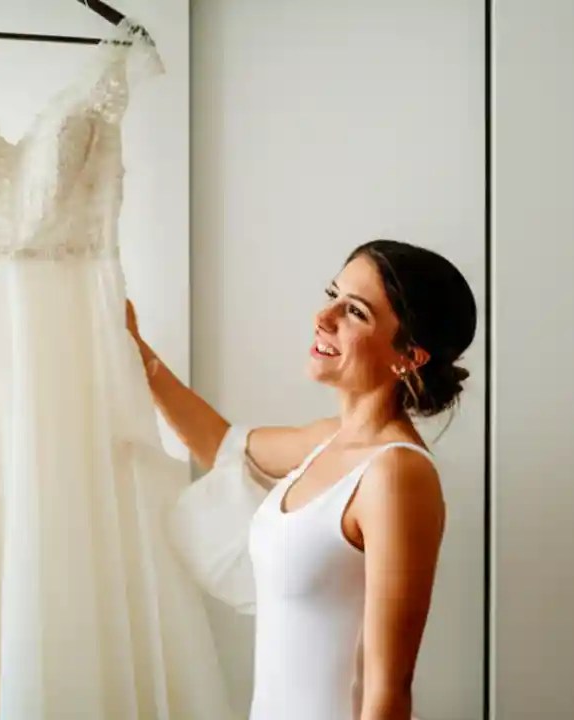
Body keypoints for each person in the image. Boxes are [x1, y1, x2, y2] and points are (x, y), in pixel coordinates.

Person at [126, 239, 478, 720]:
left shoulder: (397, 475)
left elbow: (387, 689)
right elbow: (220, 444)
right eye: (332, 294)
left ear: (409, 356)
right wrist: (136, 349)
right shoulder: (324, 442)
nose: (323, 316)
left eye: (354, 311)